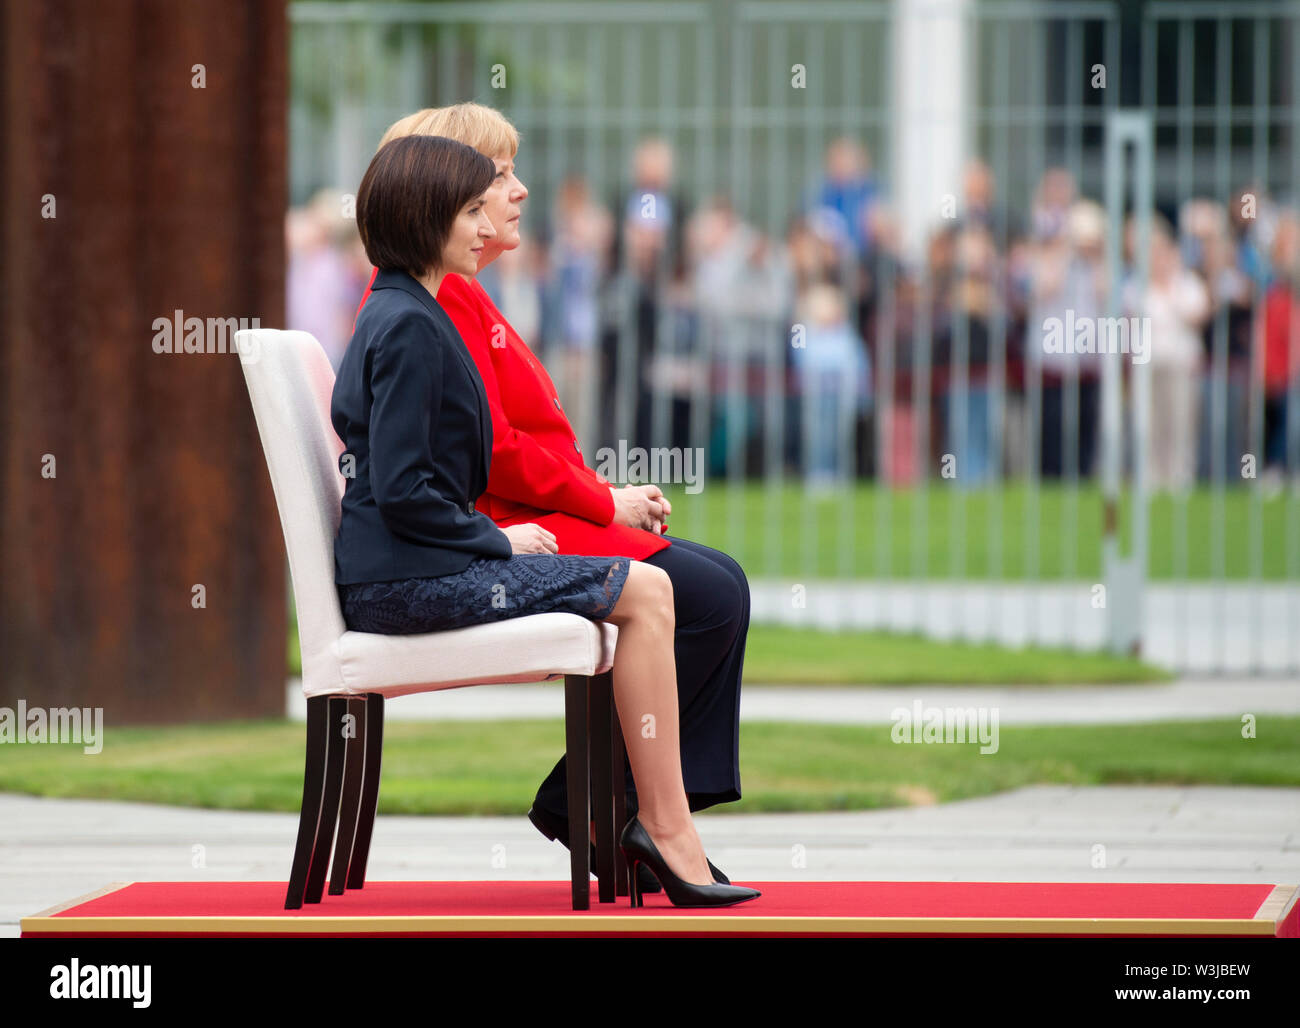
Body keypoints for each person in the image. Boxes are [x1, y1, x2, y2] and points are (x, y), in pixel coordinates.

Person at [331, 133, 758, 908]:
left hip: (413, 570)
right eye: (472, 208)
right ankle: (660, 827)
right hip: (404, 585)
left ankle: (646, 821)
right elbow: (400, 491)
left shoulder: (412, 312)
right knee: (650, 592)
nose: (488, 221)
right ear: (427, 218)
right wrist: (495, 539)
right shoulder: (409, 325)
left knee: (653, 590)